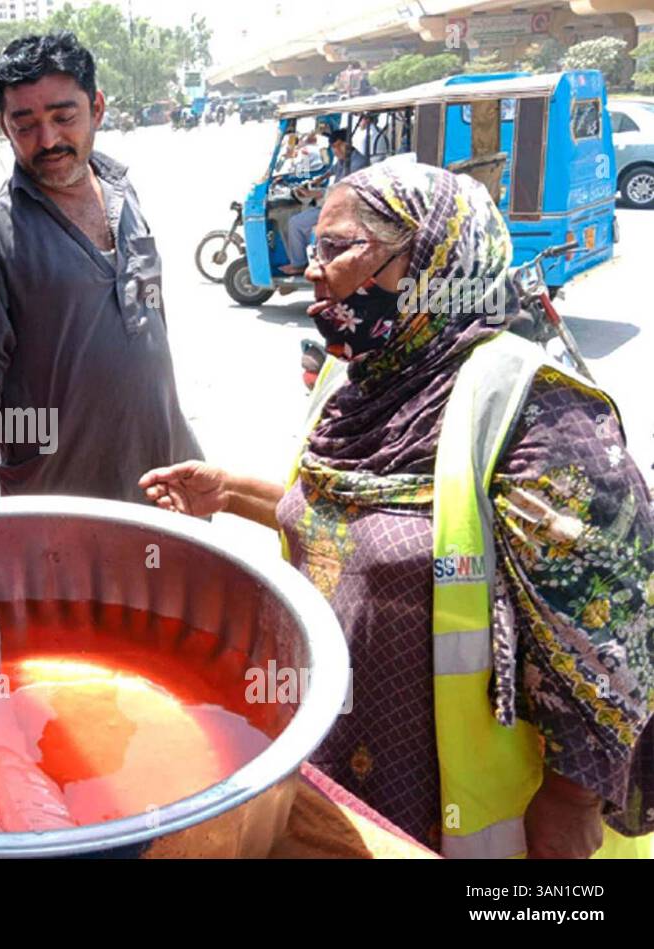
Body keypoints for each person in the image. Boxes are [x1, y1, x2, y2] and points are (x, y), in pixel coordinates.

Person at [141, 161, 654, 859]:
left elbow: (614, 630)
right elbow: (346, 519)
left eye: (337, 248)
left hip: (471, 815)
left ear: (434, 257)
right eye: (311, 246)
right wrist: (229, 492)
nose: (311, 271)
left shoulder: (536, 413)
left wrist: (571, 801)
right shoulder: (358, 382)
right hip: (338, 767)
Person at [0, 32, 202, 502]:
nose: (48, 140)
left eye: (64, 117)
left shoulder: (124, 191)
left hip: (159, 457)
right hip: (59, 483)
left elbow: (147, 314)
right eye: (25, 125)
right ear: (4, 126)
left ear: (96, 108)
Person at [279, 128, 367, 275]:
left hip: (344, 209)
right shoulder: (344, 159)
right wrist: (318, 180)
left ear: (348, 143)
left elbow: (341, 190)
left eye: (339, 145)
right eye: (334, 147)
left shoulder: (357, 162)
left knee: (296, 223)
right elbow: (331, 171)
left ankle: (299, 264)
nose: (336, 150)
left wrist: (314, 193)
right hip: (336, 204)